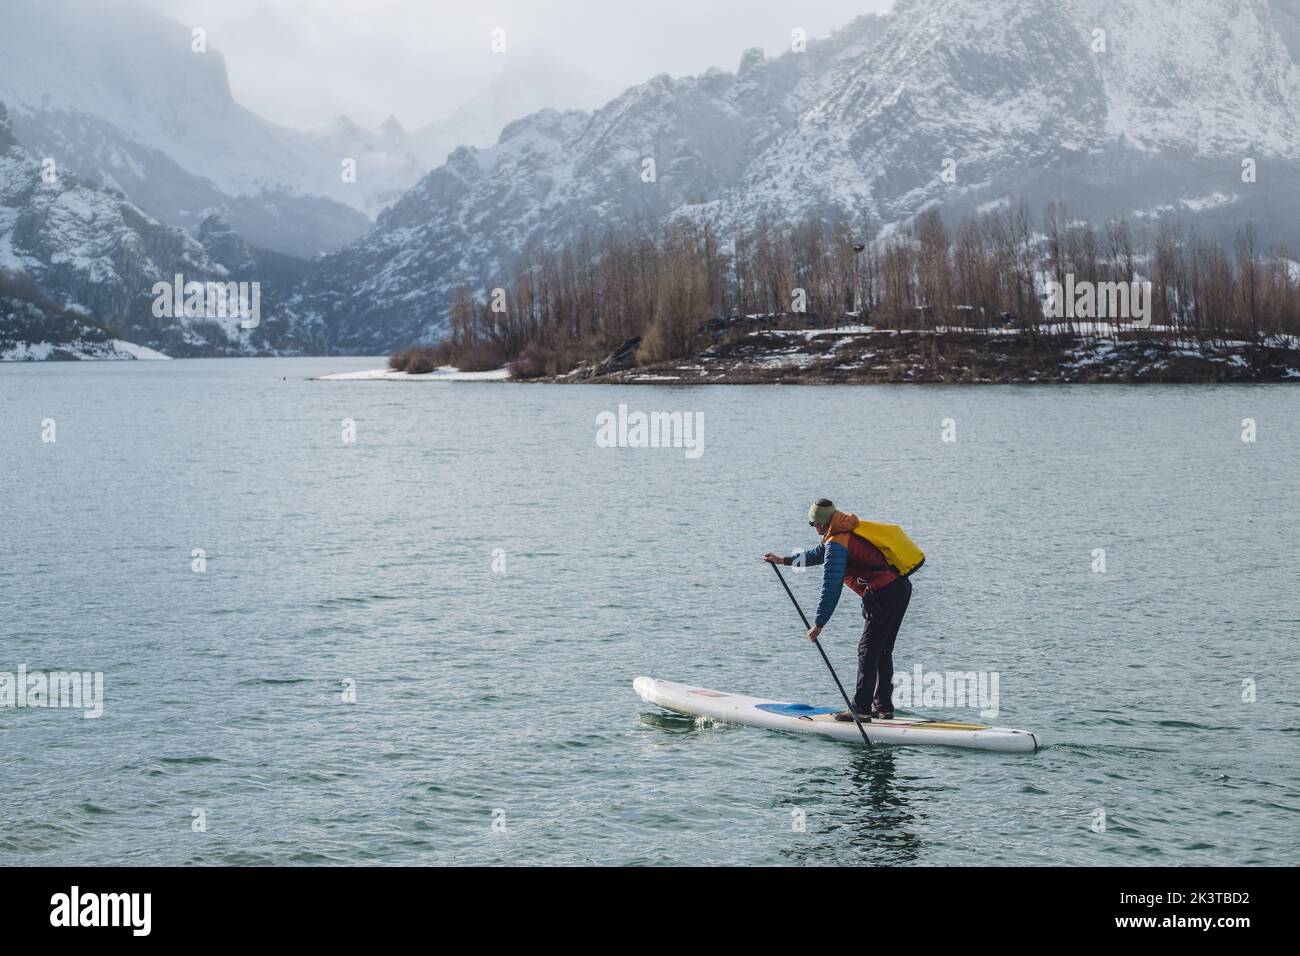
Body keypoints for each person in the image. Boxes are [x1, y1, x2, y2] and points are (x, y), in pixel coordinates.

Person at [763, 499, 912, 722]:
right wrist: (783, 560)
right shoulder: (843, 530)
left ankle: (861, 709)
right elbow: (815, 555)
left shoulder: (837, 544)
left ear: (821, 525)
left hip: (884, 594)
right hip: (900, 588)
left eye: (812, 524)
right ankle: (883, 707)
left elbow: (831, 587)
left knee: (868, 650)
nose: (813, 529)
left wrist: (819, 624)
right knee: (881, 650)